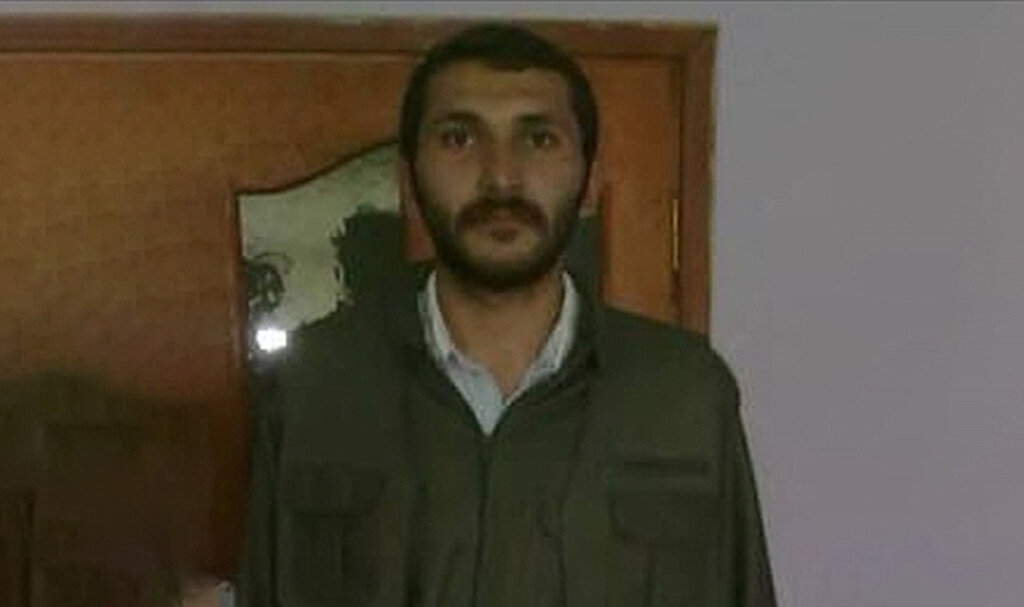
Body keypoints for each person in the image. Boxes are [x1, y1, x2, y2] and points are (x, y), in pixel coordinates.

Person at [236, 22, 776, 607]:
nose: (500, 176)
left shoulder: (684, 393)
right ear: (408, 180)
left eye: (539, 139)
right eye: (459, 138)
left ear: (590, 180)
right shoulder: (315, 383)